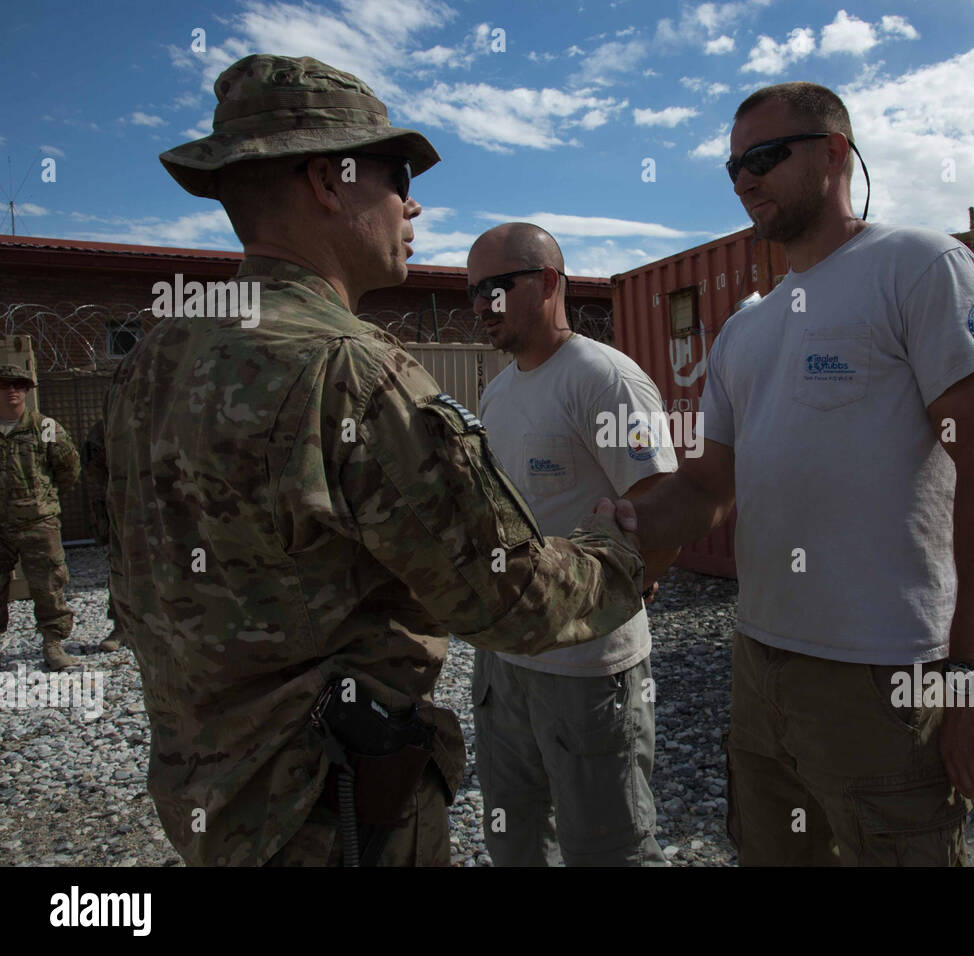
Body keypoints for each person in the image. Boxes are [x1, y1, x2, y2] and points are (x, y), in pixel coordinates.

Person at [104, 53, 646, 868]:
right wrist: (622, 550)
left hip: (211, 802)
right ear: (328, 180)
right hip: (337, 812)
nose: (413, 202)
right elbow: (512, 599)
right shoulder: (350, 371)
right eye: (396, 175)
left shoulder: (155, 357)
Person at [626, 82, 974, 865]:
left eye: (764, 158)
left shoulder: (918, 265)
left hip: (884, 673)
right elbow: (707, 488)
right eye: (733, 166)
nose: (744, 180)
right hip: (759, 666)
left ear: (835, 153)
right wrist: (628, 529)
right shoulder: (747, 329)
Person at [467, 222, 679, 866]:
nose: (481, 305)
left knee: (606, 846)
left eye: (497, 287)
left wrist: (632, 589)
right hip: (505, 664)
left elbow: (661, 505)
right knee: (516, 836)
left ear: (550, 283)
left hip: (587, 672)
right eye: (472, 291)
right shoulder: (498, 392)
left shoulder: (603, 379)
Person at [0, 365, 81, 672]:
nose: (12, 391)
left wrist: (44, 499)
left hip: (38, 521)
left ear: (27, 390)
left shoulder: (44, 426)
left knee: (48, 584)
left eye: (19, 385)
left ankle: (53, 642)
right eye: (5, 385)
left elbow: (68, 467)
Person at [81, 419, 124, 652]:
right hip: (127, 506)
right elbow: (92, 462)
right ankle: (122, 627)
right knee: (122, 567)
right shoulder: (112, 420)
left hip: (174, 506)